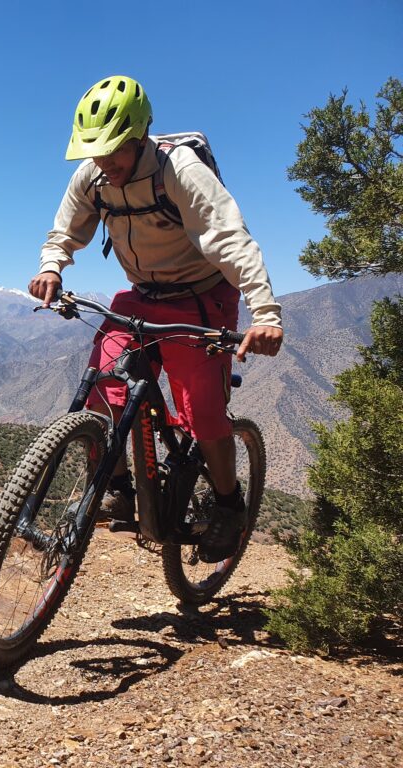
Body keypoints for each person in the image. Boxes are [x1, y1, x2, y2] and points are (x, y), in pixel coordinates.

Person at [28, 75, 283, 563]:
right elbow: (64, 232)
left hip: (201, 297)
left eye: (114, 151)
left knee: (203, 408)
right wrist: (50, 267)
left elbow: (231, 239)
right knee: (103, 382)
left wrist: (265, 312)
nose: (105, 163)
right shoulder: (94, 176)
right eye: (95, 151)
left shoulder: (180, 170)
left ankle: (229, 506)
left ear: (139, 136)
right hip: (142, 295)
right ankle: (119, 488)